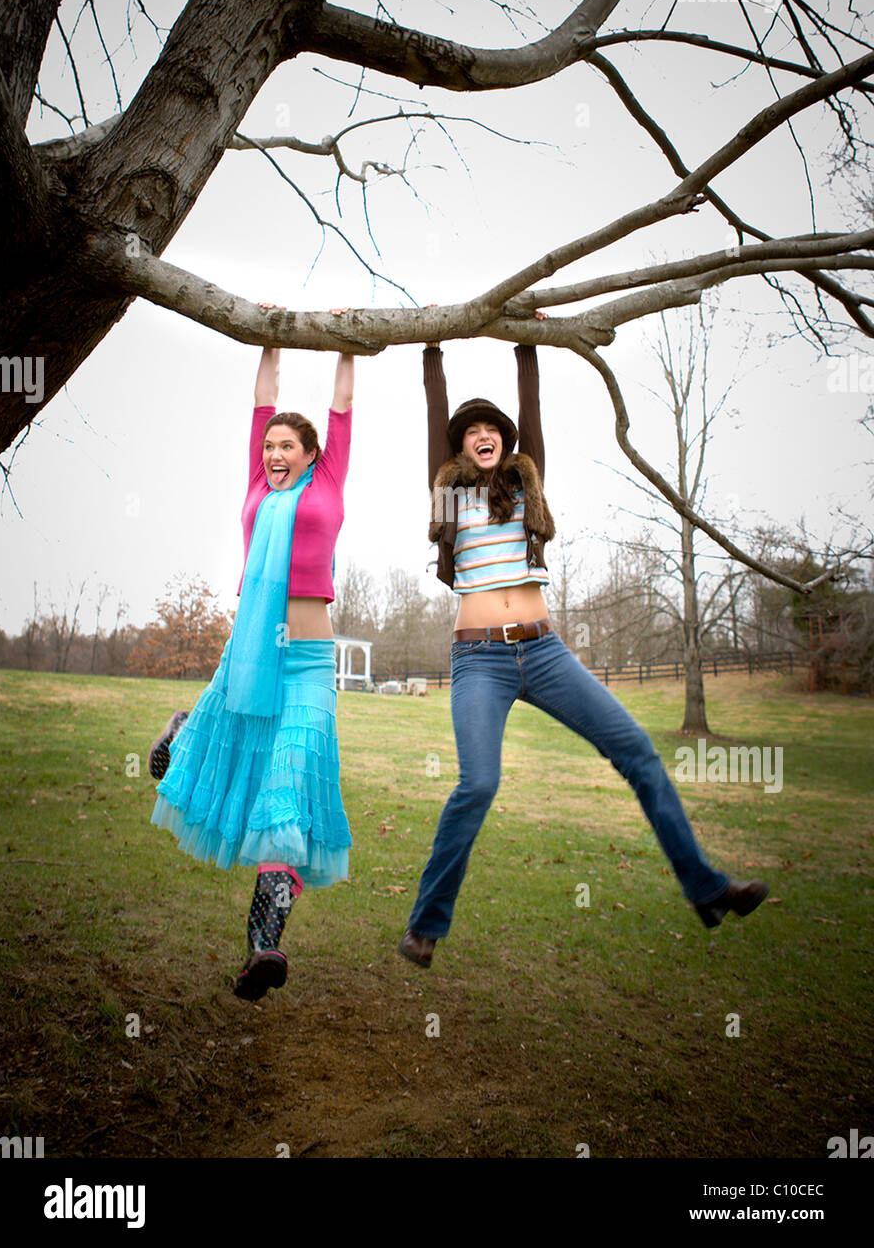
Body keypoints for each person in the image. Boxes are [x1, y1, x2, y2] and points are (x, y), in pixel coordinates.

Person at [398, 342, 767, 969]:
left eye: (492, 430)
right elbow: (436, 417)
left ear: (506, 444)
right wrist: (434, 350)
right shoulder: (451, 497)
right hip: (479, 662)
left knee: (638, 751)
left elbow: (531, 409)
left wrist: (528, 346)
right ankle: (426, 926)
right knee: (478, 781)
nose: (482, 436)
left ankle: (707, 889)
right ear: (459, 448)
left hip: (544, 654)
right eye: (471, 433)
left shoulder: (524, 485)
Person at [150, 345, 354, 1000]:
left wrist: (350, 347)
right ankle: (185, 732)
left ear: (312, 454)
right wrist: (268, 341)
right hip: (251, 651)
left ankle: (262, 945)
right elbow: (260, 401)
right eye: (269, 445)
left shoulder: (326, 487)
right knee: (248, 771)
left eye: (288, 444)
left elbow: (343, 408)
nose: (274, 452)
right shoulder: (257, 492)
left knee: (287, 795)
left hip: (309, 668)